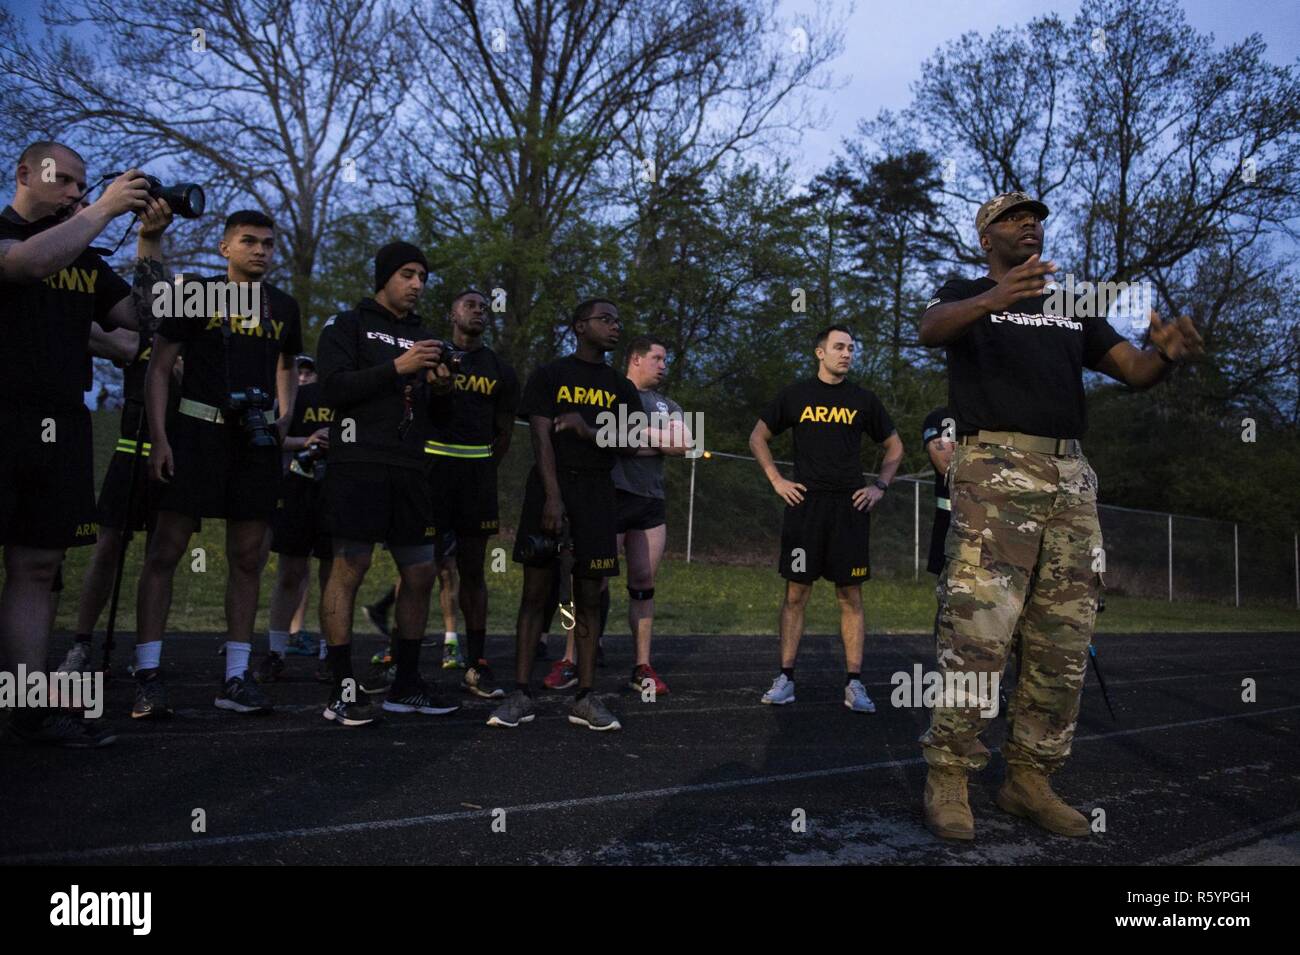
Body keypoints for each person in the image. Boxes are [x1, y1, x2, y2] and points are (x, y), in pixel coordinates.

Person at [917, 190, 1204, 841]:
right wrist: (993, 299)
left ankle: (1030, 779)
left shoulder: (1069, 302)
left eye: (1037, 219)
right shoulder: (963, 291)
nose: (1030, 226)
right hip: (995, 471)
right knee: (978, 633)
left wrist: (1164, 355)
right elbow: (928, 328)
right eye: (1015, 218)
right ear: (986, 237)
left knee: (1062, 640)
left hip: (1070, 479)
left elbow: (1131, 368)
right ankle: (950, 776)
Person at [1, 142, 159, 745]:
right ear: (23, 174)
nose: (75, 193)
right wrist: (105, 208)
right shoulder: (15, 237)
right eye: (63, 181)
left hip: (61, 424)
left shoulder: (85, 258)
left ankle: (27, 710)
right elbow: (23, 266)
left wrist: (147, 241)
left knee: (37, 567)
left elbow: (143, 318)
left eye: (81, 185)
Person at [133, 210, 302, 718]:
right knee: (165, 550)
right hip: (196, 432)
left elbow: (289, 364)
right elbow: (160, 367)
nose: (261, 251)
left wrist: (285, 418)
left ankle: (235, 678)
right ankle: (147, 674)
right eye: (249, 241)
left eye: (269, 244)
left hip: (253, 442)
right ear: (225, 247)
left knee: (249, 557)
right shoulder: (196, 293)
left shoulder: (283, 305)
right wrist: (160, 437)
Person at [486, 298, 648, 731]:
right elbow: (540, 440)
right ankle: (521, 694)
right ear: (579, 326)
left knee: (590, 596)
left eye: (618, 320)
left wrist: (588, 429)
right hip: (550, 486)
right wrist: (553, 499)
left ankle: (585, 697)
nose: (615, 326)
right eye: (605, 319)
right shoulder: (549, 375)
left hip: (598, 492)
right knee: (536, 594)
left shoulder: (620, 385)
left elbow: (631, 443)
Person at [314, 241, 458, 726]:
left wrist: (441, 388)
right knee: (348, 569)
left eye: (423, 276)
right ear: (384, 277)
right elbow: (332, 388)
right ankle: (341, 688)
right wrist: (399, 367)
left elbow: (442, 417)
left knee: (420, 573)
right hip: (358, 462)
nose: (418, 284)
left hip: (411, 467)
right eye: (408, 274)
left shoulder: (428, 336)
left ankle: (406, 684)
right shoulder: (347, 325)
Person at [749, 325, 904, 713]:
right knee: (796, 592)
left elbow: (895, 446)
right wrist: (776, 480)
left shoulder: (863, 400)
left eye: (852, 347)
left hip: (849, 509)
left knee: (849, 595)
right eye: (839, 347)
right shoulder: (796, 395)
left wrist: (879, 487)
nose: (847, 353)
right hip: (806, 507)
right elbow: (757, 436)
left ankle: (854, 684)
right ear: (820, 353)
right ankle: (786, 678)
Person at [543, 335, 688, 696]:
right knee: (591, 581)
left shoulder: (667, 404)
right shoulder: (611, 391)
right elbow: (604, 439)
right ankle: (570, 659)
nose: (663, 365)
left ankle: (642, 667)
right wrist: (652, 442)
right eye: (657, 357)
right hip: (608, 498)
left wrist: (634, 437)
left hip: (649, 502)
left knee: (643, 583)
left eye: (665, 359)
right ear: (635, 359)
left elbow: (686, 444)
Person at [256, 354, 333, 684]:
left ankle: (332, 655)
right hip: (298, 486)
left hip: (337, 491)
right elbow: (275, 437)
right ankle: (276, 652)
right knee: (290, 572)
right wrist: (309, 441)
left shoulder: (353, 395)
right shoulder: (295, 398)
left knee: (334, 578)